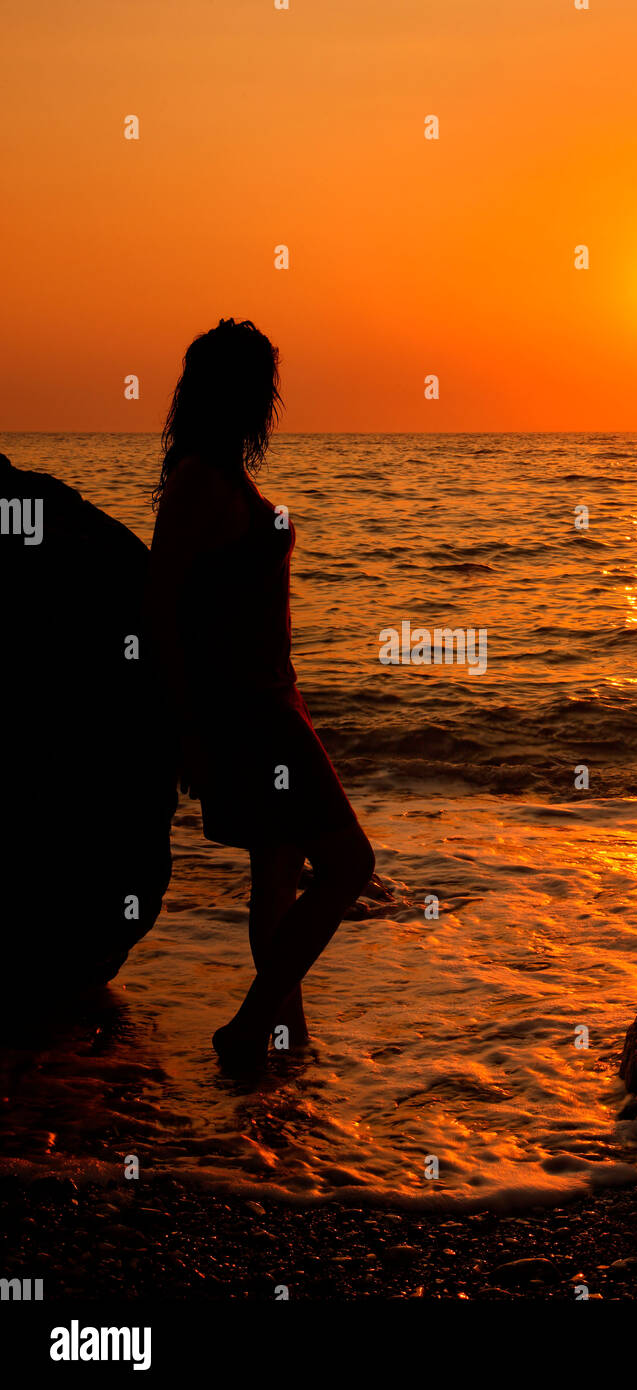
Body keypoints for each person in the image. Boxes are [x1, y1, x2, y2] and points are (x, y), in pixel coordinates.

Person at [146, 318, 375, 1072]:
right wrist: (189, 734)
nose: (268, 397)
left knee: (277, 874)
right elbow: (163, 615)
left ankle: (287, 1037)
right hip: (248, 713)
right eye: (258, 382)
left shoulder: (221, 474)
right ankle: (250, 1026)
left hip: (278, 700)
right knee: (348, 868)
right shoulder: (197, 485)